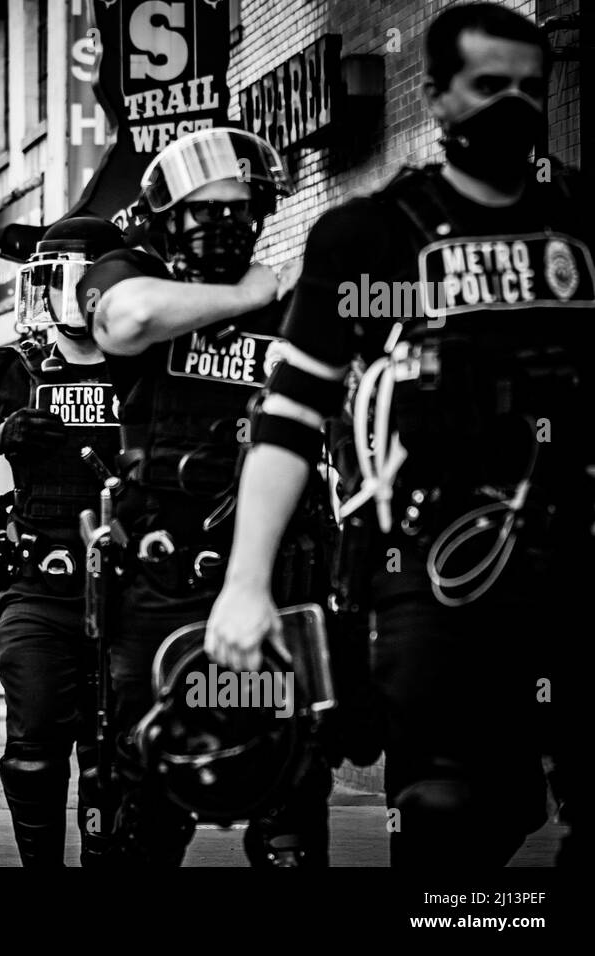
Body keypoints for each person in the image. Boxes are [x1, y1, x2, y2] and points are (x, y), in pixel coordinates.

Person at [205, 3, 590, 868]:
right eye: (488, 85)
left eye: (531, 86)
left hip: (573, 551)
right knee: (450, 809)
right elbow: (289, 416)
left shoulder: (580, 221)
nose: (513, 104)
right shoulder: (371, 236)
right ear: (438, 95)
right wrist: (246, 584)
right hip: (430, 565)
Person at [85, 125, 342, 867]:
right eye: (204, 209)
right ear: (169, 218)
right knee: (145, 791)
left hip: (281, 575)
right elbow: (129, 319)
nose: (223, 223)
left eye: (239, 208)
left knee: (292, 787)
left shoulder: (293, 302)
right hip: (163, 578)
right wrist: (246, 293)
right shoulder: (128, 272)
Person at [0, 216, 131, 867]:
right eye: (62, 282)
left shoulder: (150, 366)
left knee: (117, 761)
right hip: (38, 589)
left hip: (131, 593)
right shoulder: (7, 370)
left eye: (90, 282)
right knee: (33, 754)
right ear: (41, 287)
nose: (74, 297)